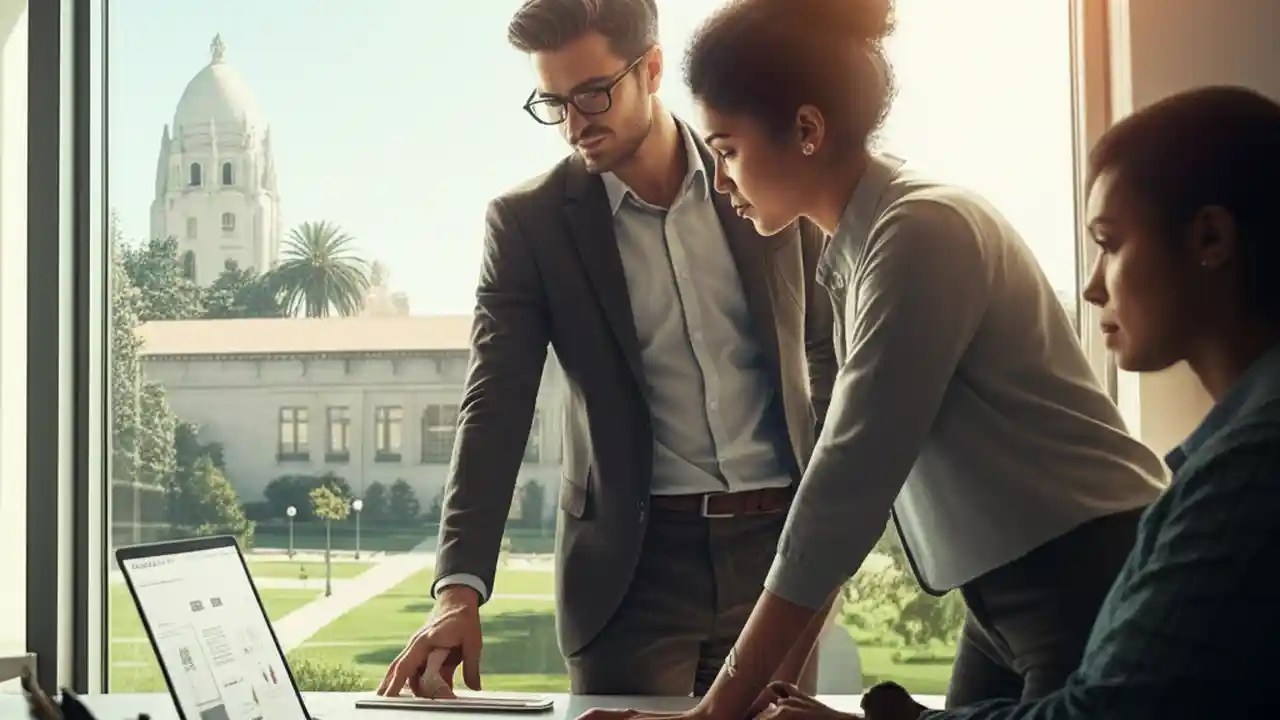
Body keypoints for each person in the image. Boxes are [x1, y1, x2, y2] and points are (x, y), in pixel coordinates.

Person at [578, 0, 1168, 716]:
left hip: (1084, 576)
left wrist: (717, 711)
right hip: (998, 601)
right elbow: (838, 505)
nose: (719, 176)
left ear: (806, 129)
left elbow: (845, 490)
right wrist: (763, 700)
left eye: (727, 149)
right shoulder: (860, 249)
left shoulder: (923, 230)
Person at [762, 84, 1280, 720]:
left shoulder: (1247, 470)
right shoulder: (1223, 456)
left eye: (1110, 242)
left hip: (1064, 570)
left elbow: (1104, 716)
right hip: (998, 594)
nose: (1093, 287)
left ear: (1209, 238)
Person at [377, 0, 838, 699]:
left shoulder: (762, 173)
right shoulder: (528, 225)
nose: (573, 123)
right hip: (632, 575)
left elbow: (826, 349)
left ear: (651, 68)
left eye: (592, 94)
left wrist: (831, 516)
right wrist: (458, 590)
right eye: (553, 102)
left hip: (780, 553)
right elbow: (495, 405)